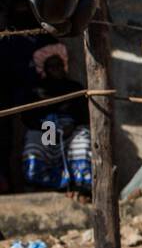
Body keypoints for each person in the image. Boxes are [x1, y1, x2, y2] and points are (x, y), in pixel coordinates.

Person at [19, 43, 92, 195]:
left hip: (72, 129)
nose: (56, 69)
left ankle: (81, 187)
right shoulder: (36, 90)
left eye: (59, 65)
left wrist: (72, 126)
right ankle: (47, 186)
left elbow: (85, 113)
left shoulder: (74, 87)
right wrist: (49, 127)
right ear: (44, 69)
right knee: (34, 144)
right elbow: (28, 117)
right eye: (52, 67)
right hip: (47, 129)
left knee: (83, 140)